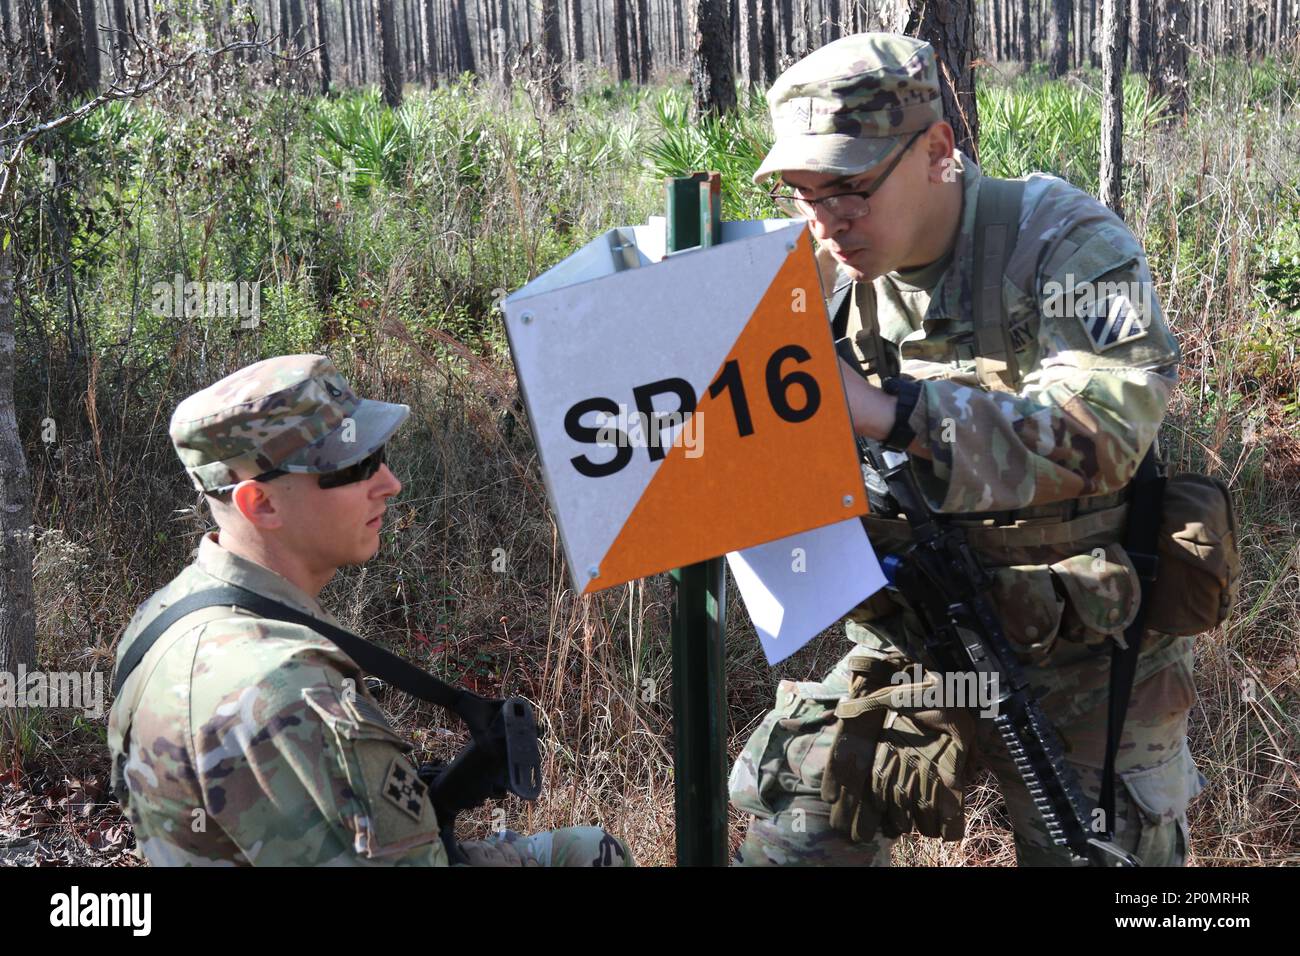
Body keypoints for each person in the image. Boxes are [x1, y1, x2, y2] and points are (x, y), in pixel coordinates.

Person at [729, 33, 1205, 866]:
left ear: (938, 151)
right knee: (794, 830)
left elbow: (1110, 429)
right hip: (921, 644)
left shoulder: (1061, 242)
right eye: (805, 194)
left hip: (1081, 656)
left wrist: (887, 410)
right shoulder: (822, 284)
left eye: (849, 187)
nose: (827, 219)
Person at [108, 354, 631, 867]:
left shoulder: (167, 613)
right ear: (261, 504)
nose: (389, 483)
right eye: (354, 466)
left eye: (378, 454)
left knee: (585, 850)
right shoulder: (285, 690)